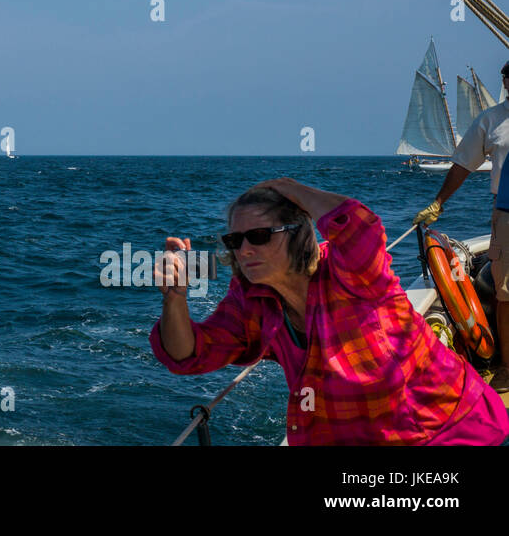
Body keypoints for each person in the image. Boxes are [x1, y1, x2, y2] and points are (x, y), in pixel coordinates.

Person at [152, 177, 509, 445]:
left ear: (297, 234)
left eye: (259, 235)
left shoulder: (351, 273)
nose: (244, 249)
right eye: (235, 240)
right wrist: (174, 298)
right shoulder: (253, 298)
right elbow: (191, 354)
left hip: (448, 431)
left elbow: (360, 227)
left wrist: (290, 188)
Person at [415, 59, 509, 358]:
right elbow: (463, 165)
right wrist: (438, 203)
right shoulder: (490, 120)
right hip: (505, 215)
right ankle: (508, 368)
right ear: (505, 82)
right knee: (505, 294)